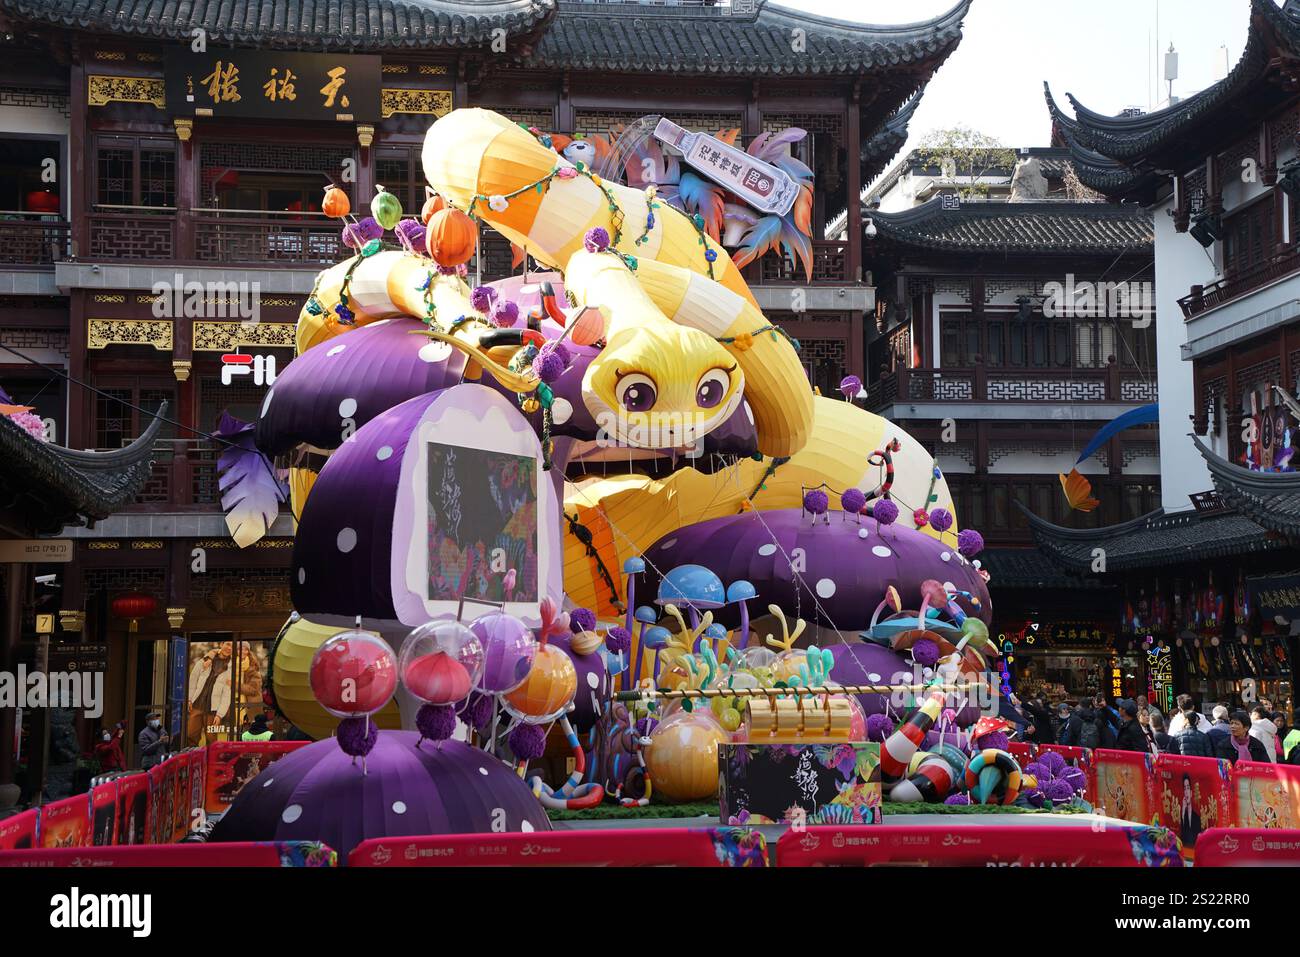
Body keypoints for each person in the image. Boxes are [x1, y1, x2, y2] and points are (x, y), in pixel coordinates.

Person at [1177, 773, 1202, 850]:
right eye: (1184, 788)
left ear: (1191, 793)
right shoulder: (1182, 816)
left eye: (1188, 788)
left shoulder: (1197, 818)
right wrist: (1183, 812)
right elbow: (1182, 838)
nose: (1186, 792)